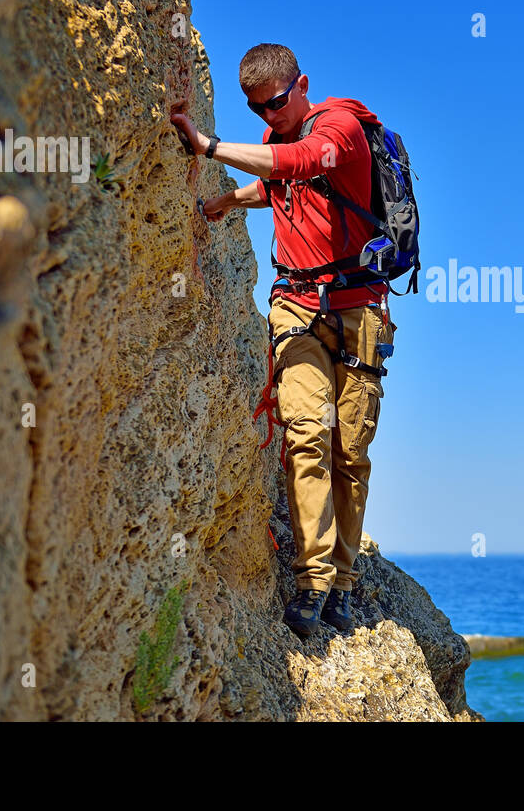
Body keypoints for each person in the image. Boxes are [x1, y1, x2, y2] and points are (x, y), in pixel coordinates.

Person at [170, 43, 394, 638]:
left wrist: (211, 148)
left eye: (273, 104)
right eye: (256, 110)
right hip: (295, 305)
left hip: (359, 310)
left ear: (302, 86)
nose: (267, 119)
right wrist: (223, 200)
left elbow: (296, 166)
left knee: (351, 450)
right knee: (305, 434)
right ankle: (312, 578)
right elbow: (276, 186)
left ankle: (344, 582)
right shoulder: (280, 142)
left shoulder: (339, 128)